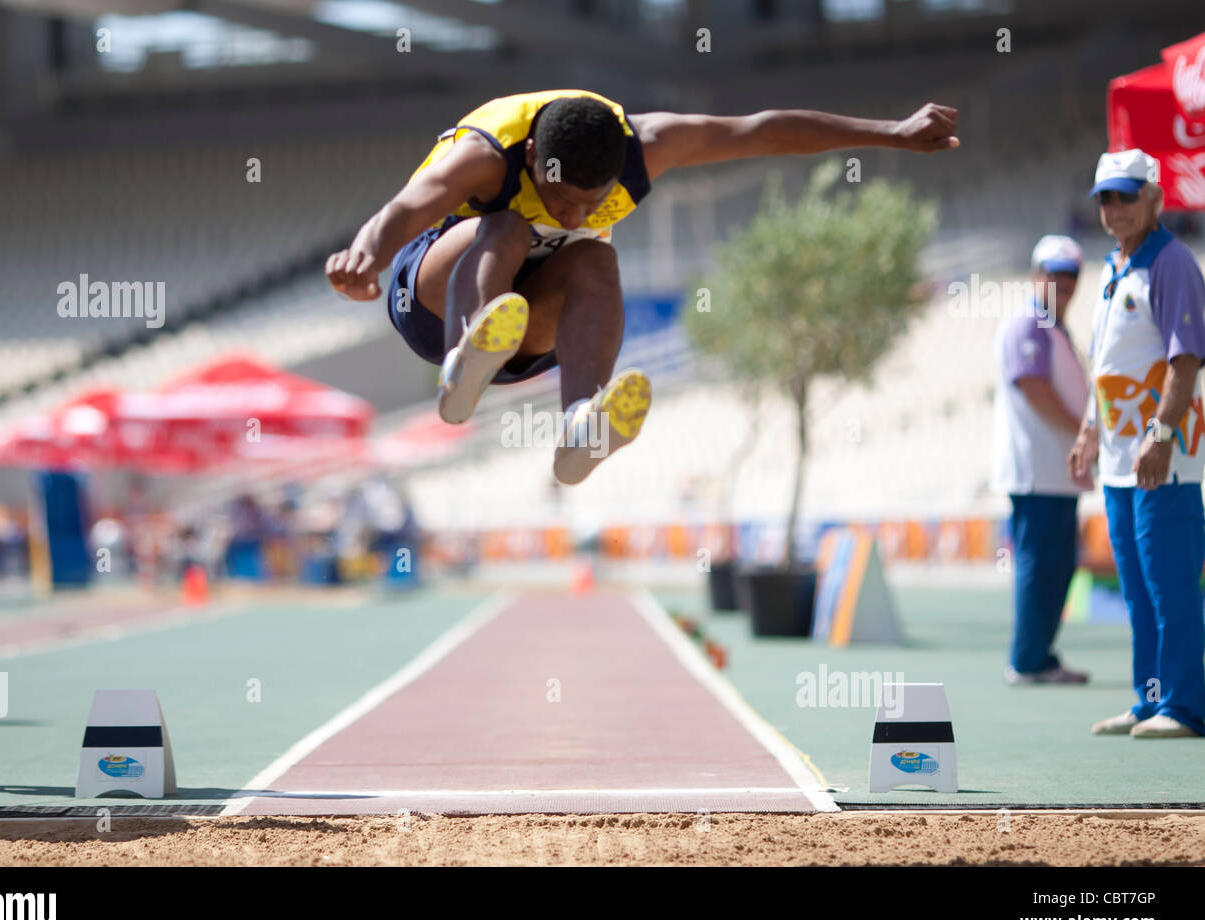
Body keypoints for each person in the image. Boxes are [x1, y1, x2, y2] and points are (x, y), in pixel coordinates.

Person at [327, 91, 959, 484]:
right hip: (435, 295)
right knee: (508, 225)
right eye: (562, 197)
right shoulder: (489, 151)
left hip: (526, 328)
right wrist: (366, 254)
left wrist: (891, 132)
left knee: (596, 258)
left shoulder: (647, 145)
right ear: (533, 162)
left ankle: (580, 424)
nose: (574, 214)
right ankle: (466, 358)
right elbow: (414, 203)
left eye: (590, 199)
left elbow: (762, 129)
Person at [1070, 149, 1205, 739]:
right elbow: (1106, 366)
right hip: (1121, 461)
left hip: (1163, 458)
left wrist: (1161, 432)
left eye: (1126, 195)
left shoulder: (1172, 263)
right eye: (1106, 197)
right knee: (1136, 587)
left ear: (1154, 197)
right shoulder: (1111, 269)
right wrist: (1088, 431)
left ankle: (1184, 704)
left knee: (1169, 582)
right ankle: (1150, 698)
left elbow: (1185, 358)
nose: (1115, 208)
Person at [990, 235, 1091, 684]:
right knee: (1040, 561)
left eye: (1070, 276)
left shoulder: (1053, 327)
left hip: (1057, 471)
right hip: (1038, 469)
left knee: (1058, 563)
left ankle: (1039, 654)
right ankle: (1028, 659)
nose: (1063, 284)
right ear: (1036, 275)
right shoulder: (1027, 324)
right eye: (1055, 274)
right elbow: (1033, 387)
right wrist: (1082, 430)